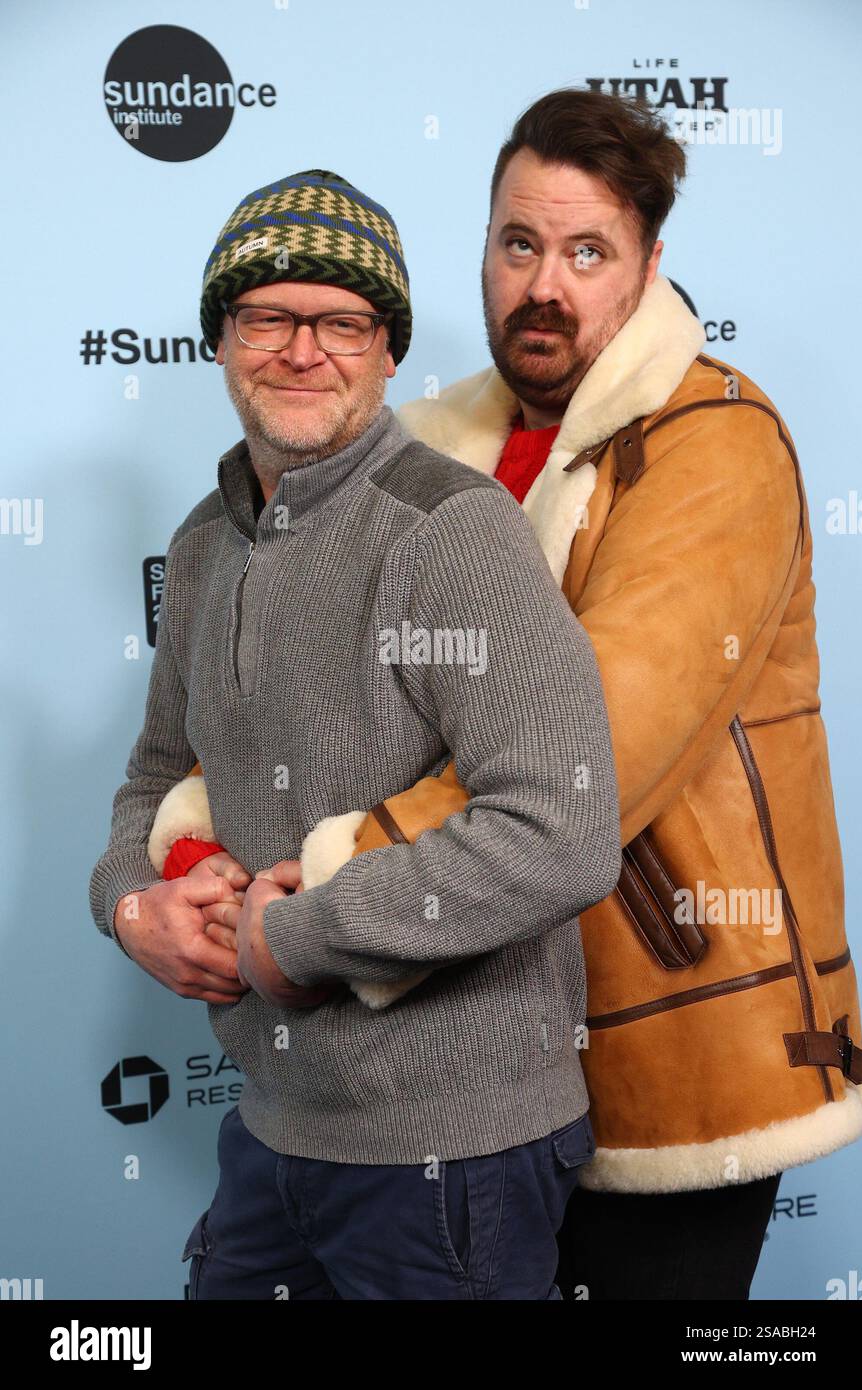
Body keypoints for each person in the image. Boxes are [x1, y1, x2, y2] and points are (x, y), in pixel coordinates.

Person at [156, 95, 862, 1301]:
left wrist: (317, 892)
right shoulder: (427, 460)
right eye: (516, 246)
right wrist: (188, 866)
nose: (544, 286)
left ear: (647, 268)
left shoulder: (715, 445)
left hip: (673, 1033)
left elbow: (593, 742)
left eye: (587, 253)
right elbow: (305, 713)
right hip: (472, 1024)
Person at [88, 168, 623, 1300]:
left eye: (341, 322)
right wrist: (132, 903)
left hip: (451, 1158)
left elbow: (563, 827)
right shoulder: (200, 546)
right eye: (266, 317)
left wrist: (304, 936)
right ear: (221, 341)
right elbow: (151, 778)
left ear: (388, 352)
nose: (301, 350)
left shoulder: (450, 531)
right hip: (272, 1130)